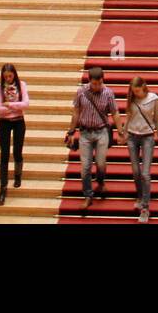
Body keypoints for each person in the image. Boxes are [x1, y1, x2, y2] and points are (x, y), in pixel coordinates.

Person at [66, 66, 118, 209]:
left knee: (101, 163)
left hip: (101, 131)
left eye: (99, 83)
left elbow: (115, 113)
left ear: (103, 80)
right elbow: (76, 112)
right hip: (85, 133)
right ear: (89, 81)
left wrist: (120, 130)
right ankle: (88, 195)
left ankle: (101, 183)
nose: (97, 86)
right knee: (85, 166)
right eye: (94, 84)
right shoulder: (81, 92)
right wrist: (71, 132)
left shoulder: (108, 93)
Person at [119, 75, 158, 223]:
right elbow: (129, 117)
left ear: (144, 87)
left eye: (138, 90)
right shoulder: (131, 99)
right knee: (135, 171)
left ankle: (145, 208)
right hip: (132, 136)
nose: (136, 93)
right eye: (134, 91)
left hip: (148, 137)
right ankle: (140, 196)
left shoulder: (153, 99)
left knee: (145, 173)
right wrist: (124, 134)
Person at [0, 62, 29, 205]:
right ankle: (3, 187)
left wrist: (11, 105)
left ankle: (17, 175)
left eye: (10, 75)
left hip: (19, 121)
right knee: (4, 154)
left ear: (14, 74)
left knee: (17, 150)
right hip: (4, 122)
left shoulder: (22, 85)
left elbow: (26, 103)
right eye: (5, 76)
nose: (8, 78)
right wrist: (14, 108)